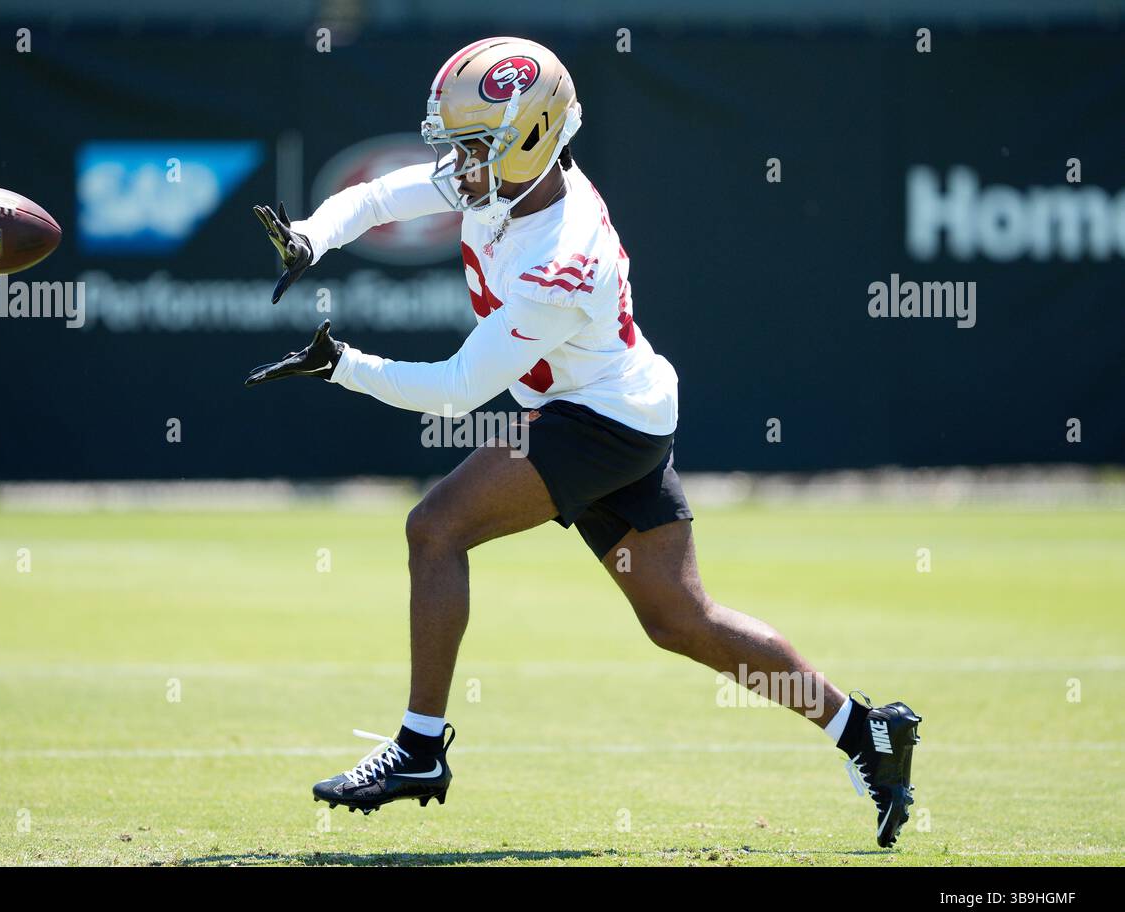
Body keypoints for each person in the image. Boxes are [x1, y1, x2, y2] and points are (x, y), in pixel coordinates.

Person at [246, 36, 921, 847]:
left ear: (529, 136)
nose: (458, 166)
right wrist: (313, 235)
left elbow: (459, 390)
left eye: (472, 147)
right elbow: (382, 197)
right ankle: (866, 734)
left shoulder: (565, 258)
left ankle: (420, 749)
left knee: (435, 527)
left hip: (599, 424)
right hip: (617, 410)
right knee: (682, 621)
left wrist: (343, 367)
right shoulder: (512, 177)